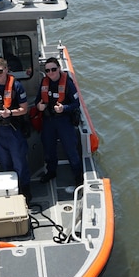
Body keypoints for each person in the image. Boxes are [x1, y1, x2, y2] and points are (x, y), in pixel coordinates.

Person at [0, 58, 32, 202]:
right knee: (5, 162)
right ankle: (11, 188)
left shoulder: (17, 87)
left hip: (13, 129)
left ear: (6, 70)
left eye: (0, 71)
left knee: (19, 162)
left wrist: (10, 113)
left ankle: (25, 188)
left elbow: (24, 109)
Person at [35, 57, 83, 187]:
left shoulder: (68, 83)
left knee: (70, 150)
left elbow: (76, 104)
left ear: (59, 69)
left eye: (53, 69)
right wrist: (39, 106)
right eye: (48, 70)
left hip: (64, 121)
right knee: (49, 149)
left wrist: (64, 108)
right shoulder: (44, 82)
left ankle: (78, 176)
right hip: (49, 121)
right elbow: (37, 100)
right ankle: (51, 172)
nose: (51, 73)